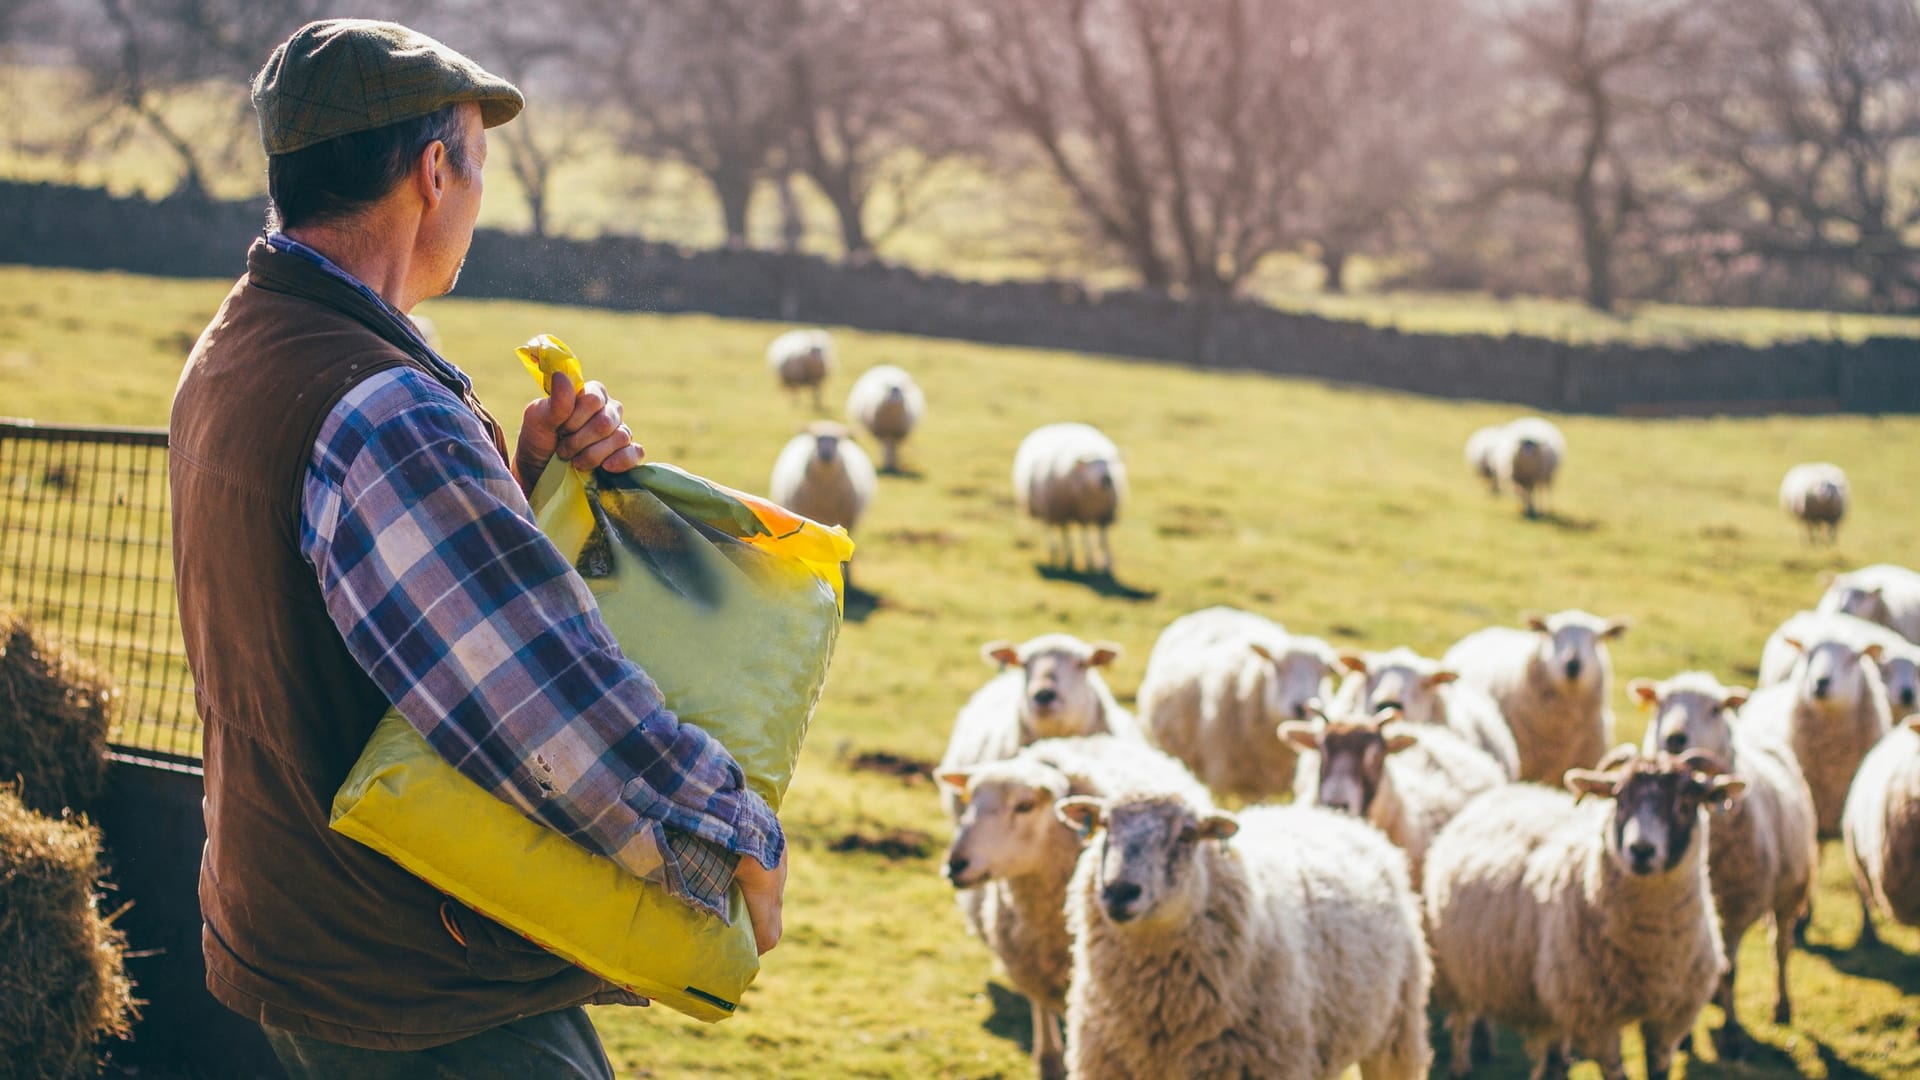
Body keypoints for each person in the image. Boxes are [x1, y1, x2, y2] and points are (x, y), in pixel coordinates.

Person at [169, 19, 786, 1078]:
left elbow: (351, 603)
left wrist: (525, 487)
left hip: (298, 929)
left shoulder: (241, 344)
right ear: (433, 171)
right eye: (479, 168)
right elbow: (534, 700)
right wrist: (722, 831)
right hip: (412, 973)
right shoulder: (383, 408)